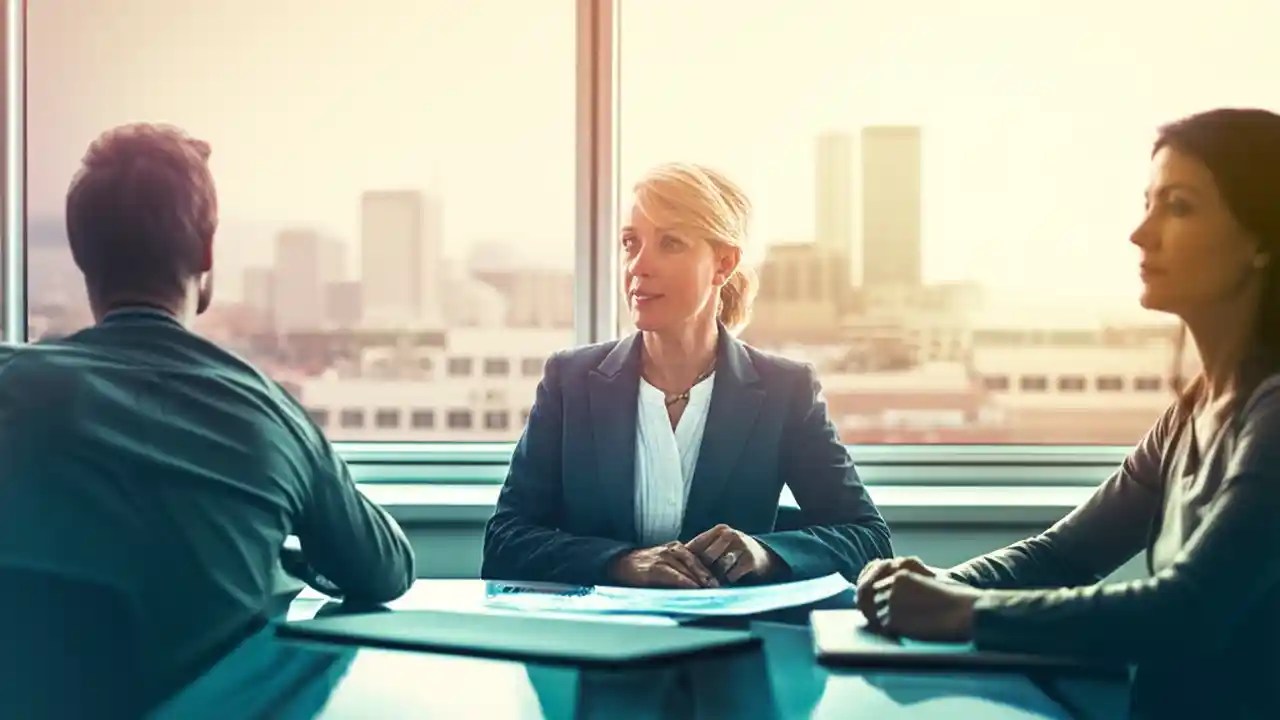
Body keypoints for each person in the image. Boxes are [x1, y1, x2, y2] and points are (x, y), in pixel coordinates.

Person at [856, 108, 1280, 719]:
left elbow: (1187, 609)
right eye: (1148, 202)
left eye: (1179, 207)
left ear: (1264, 239)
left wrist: (961, 612)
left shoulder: (1275, 414)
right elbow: (1064, 557)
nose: (1141, 233)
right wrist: (942, 583)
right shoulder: (1191, 413)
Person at [0, 124, 415, 709]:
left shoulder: (10, 386)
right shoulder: (271, 414)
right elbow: (387, 569)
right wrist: (284, 548)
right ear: (207, 253)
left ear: (80, 251)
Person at [483, 162, 890, 588]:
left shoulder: (783, 390)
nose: (639, 265)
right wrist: (621, 563)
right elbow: (505, 543)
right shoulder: (570, 380)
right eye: (630, 243)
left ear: (723, 264)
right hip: (597, 641)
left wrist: (767, 553)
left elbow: (868, 540)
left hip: (726, 639)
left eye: (670, 243)